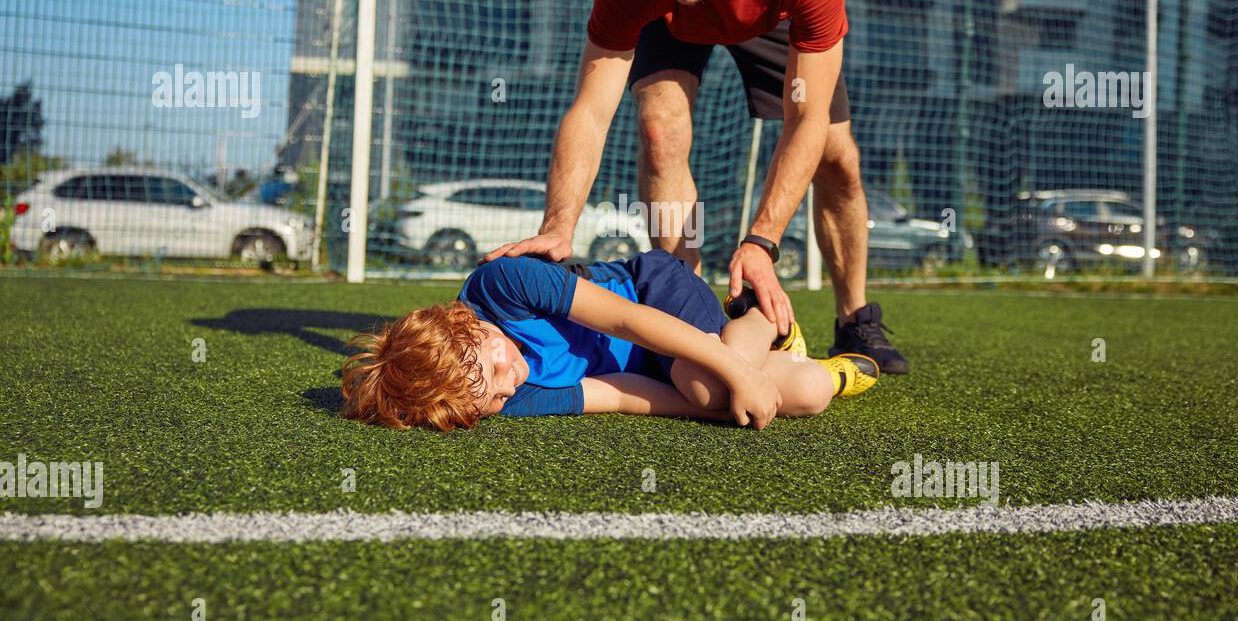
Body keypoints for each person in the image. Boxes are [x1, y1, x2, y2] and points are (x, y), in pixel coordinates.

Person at [484, 0, 909, 375]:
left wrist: (761, 242)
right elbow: (590, 109)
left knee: (837, 158)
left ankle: (856, 316)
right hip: (673, 24)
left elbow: (803, 119)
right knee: (659, 127)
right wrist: (557, 227)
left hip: (773, 14)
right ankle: (682, 311)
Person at [341, 250, 879, 431]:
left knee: (702, 381)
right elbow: (618, 393)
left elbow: (626, 320)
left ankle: (761, 318)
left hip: (652, 297)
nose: (513, 383)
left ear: (470, 326)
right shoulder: (494, 401)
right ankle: (813, 362)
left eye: (498, 366)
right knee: (805, 392)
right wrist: (731, 404)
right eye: (497, 398)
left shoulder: (500, 284)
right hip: (650, 364)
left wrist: (735, 376)